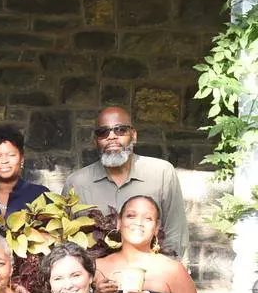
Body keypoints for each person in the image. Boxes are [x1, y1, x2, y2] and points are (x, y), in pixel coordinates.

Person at [62, 107, 188, 258]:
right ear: (96, 140)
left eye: (120, 130)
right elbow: (66, 241)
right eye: (103, 132)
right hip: (94, 277)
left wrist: (163, 273)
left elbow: (175, 233)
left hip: (152, 274)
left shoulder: (161, 174)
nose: (112, 137)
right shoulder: (77, 183)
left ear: (133, 135)